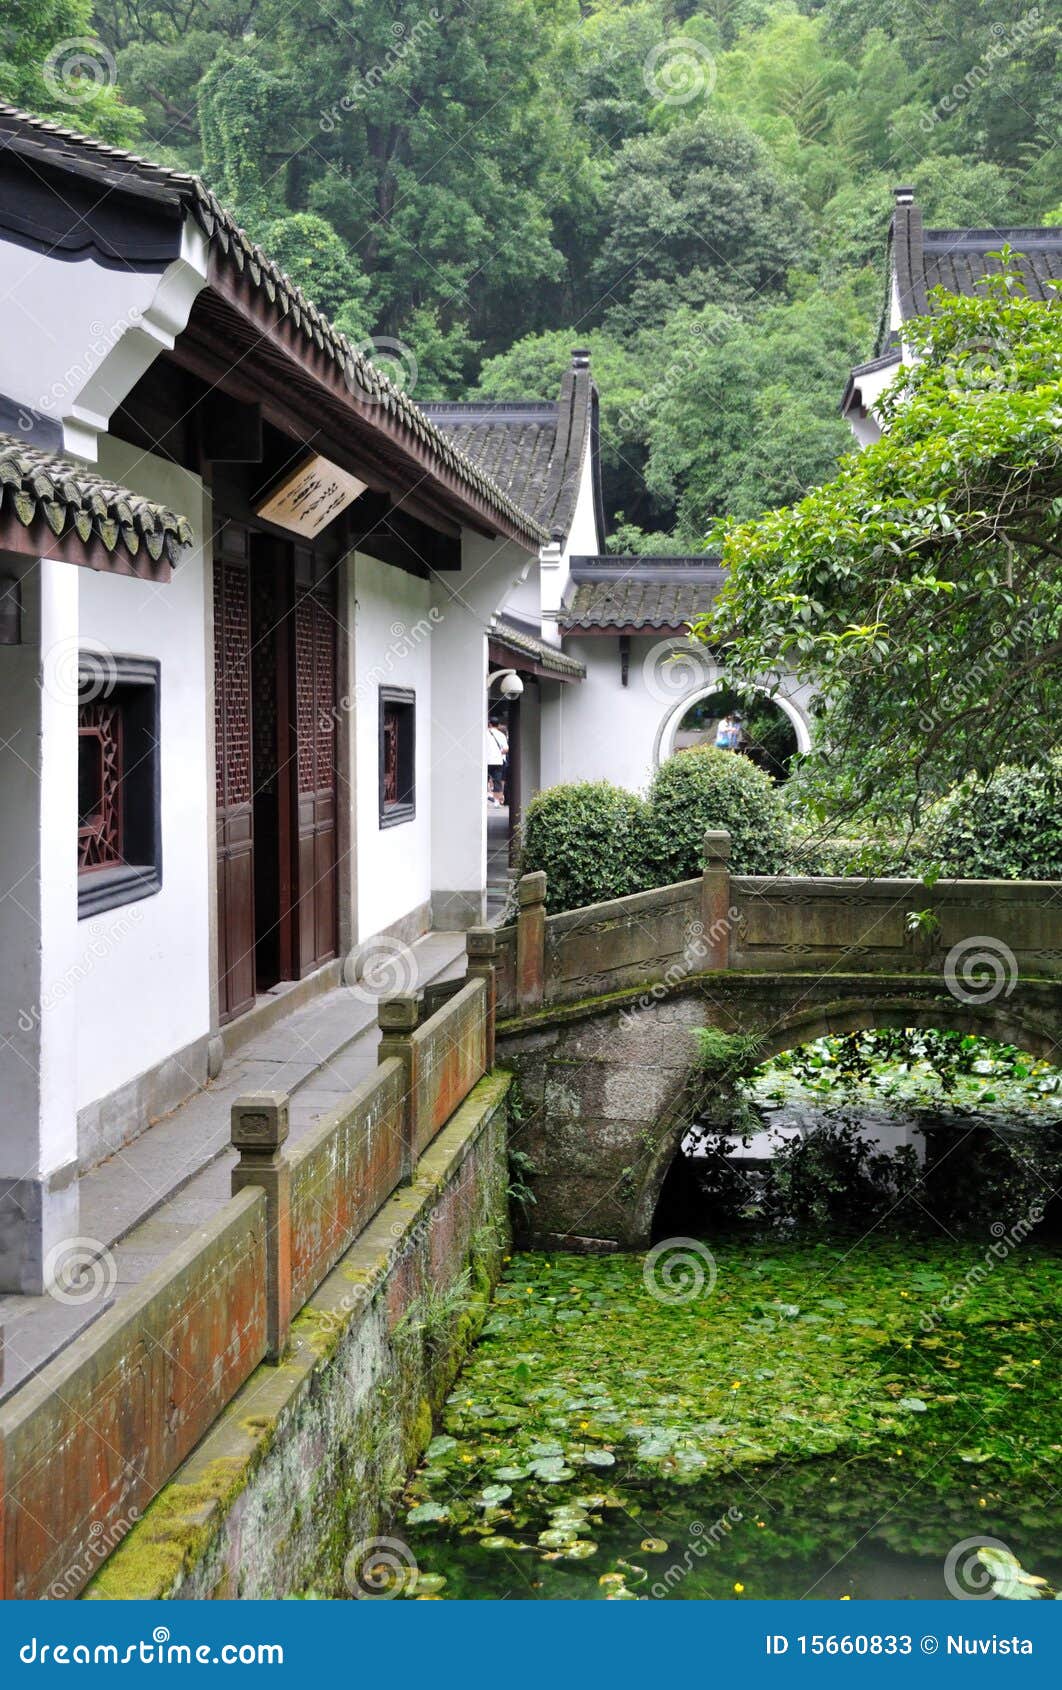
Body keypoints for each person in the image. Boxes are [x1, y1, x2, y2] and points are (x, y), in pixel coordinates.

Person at [487, 719, 509, 805]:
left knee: (484, 780)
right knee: (497, 781)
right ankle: (496, 801)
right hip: (498, 761)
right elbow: (506, 749)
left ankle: (484, 798)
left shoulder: (484, 734)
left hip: (486, 761)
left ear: (490, 724)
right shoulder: (501, 735)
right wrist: (499, 752)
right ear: (498, 725)